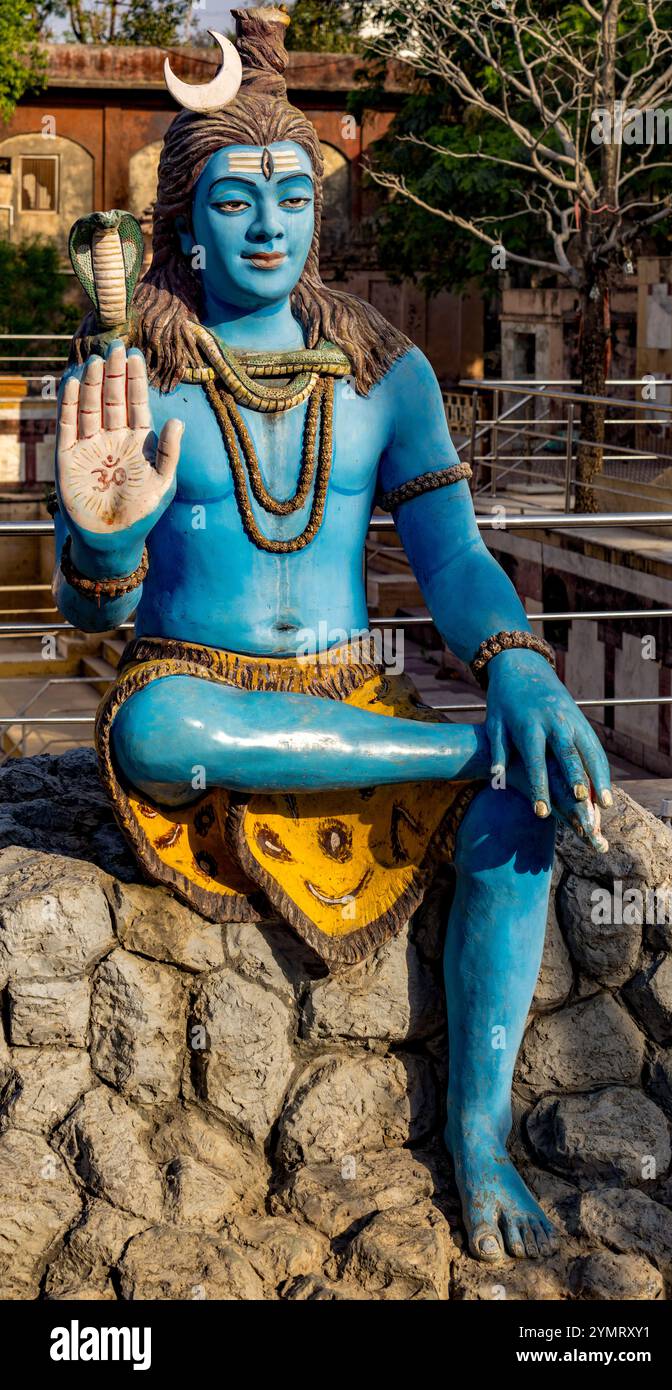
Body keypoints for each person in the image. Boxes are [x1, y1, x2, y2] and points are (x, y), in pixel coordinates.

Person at [53, 7, 611, 1264]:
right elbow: (91, 614)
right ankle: (451, 761)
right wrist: (97, 541)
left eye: (292, 197)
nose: (266, 226)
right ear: (183, 221)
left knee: (520, 813)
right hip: (202, 702)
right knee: (150, 725)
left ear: (320, 212)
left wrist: (513, 660)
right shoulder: (136, 371)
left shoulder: (385, 373)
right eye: (237, 200)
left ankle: (476, 1140)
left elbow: (454, 556)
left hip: (353, 700)